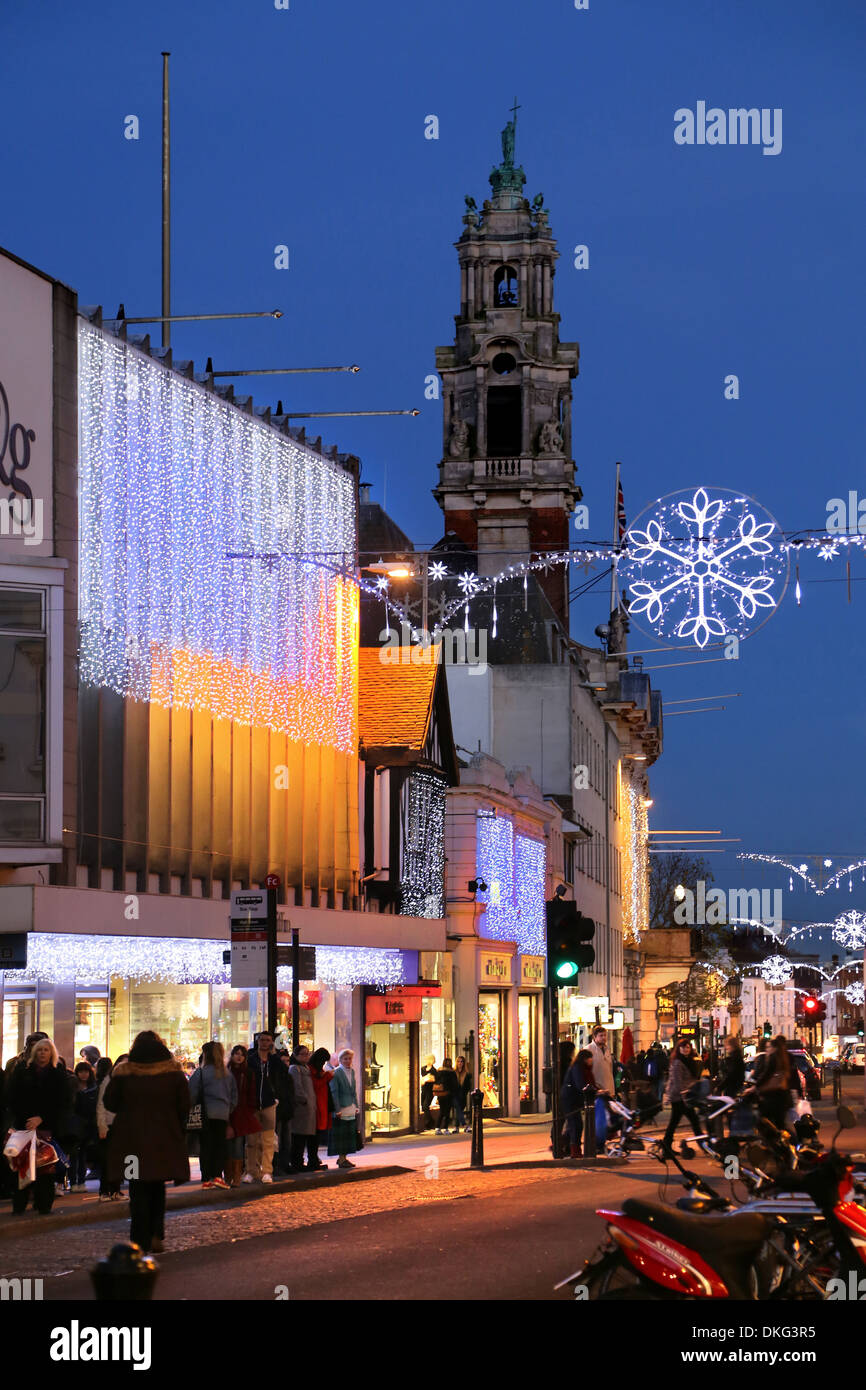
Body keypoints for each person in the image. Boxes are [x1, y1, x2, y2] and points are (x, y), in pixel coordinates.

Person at [103, 1030, 190, 1254]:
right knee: (157, 1188)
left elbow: (110, 1103)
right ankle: (156, 1233)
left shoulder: (124, 1074)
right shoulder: (173, 1074)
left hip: (132, 1142)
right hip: (163, 1141)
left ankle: (139, 1237)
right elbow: (185, 1106)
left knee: (136, 1188)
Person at [6, 1036, 68, 1215]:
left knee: (44, 1167)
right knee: (22, 1167)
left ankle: (44, 1204)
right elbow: (13, 1097)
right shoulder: (22, 1071)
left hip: (46, 1126)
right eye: (39, 1050)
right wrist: (28, 1118)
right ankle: (19, 1205)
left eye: (46, 1050)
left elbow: (61, 1102)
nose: (42, 1053)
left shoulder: (58, 1073)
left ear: (52, 1053)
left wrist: (42, 1118)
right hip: (24, 1125)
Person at [189, 1041, 237, 1190]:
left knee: (206, 1147)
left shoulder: (201, 1073)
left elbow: (191, 1094)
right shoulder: (227, 1074)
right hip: (222, 1114)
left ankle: (206, 1178)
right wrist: (228, 1110)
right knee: (219, 1146)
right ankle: (217, 1176)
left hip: (205, 1113)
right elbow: (234, 1096)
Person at [244, 1031, 286, 1184]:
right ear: (258, 1041)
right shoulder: (251, 1058)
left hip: (269, 1103)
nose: (264, 1042)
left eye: (268, 1040)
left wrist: (274, 1054)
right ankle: (251, 1171)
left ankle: (267, 1171)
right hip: (253, 1104)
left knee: (268, 1140)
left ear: (271, 1043)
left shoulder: (273, 1060)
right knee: (251, 1141)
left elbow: (283, 1072)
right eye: (262, 1040)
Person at [661, 1038, 704, 1157]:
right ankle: (704, 1145)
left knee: (675, 1122)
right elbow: (677, 1080)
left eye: (688, 1047)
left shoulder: (688, 1060)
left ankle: (666, 1148)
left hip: (683, 1096)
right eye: (683, 1047)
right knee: (693, 1120)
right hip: (679, 1097)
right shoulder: (677, 1062)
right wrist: (684, 1092)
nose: (686, 1049)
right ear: (679, 1049)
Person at [749, 1035, 800, 1132]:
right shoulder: (784, 1058)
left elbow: (766, 1075)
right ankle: (788, 1142)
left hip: (773, 1097)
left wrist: (755, 1087)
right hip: (782, 1096)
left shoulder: (773, 1058)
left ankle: (778, 1143)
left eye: (769, 1047)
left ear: (774, 1048)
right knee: (780, 1124)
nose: (767, 1049)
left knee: (765, 1122)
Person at [226, 1044, 259, 1187]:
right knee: (228, 1144)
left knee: (238, 1144)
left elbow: (251, 1092)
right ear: (232, 1055)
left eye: (242, 1054)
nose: (239, 1057)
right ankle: (228, 1175)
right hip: (228, 1111)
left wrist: (250, 1109)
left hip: (241, 1111)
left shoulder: (248, 1073)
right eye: (236, 1054)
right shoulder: (226, 1072)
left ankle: (237, 1176)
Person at [289, 1045, 324, 1171]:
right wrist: (304, 1100)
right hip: (301, 1108)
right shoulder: (294, 1068)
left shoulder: (306, 1068)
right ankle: (297, 1163)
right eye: (302, 1054)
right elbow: (297, 1087)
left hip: (309, 1107)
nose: (306, 1056)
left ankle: (303, 1162)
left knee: (305, 1136)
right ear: (296, 1055)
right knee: (299, 1137)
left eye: (307, 1054)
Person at [96, 1055, 124, 1200]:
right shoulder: (109, 1081)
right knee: (108, 1159)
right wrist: (102, 1125)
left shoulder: (132, 1080)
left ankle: (118, 1189)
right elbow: (101, 1105)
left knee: (129, 1159)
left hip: (127, 1126)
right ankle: (104, 1190)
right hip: (111, 1124)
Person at [67, 1060, 98, 1192]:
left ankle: (81, 1181)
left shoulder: (94, 1088)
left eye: (86, 1071)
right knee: (74, 1155)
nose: (84, 1074)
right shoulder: (73, 1088)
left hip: (88, 1125)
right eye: (81, 1071)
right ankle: (73, 1182)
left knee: (83, 1154)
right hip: (75, 1125)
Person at [560, 1049, 596, 1157]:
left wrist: (597, 1090)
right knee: (575, 1124)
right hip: (570, 1099)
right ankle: (574, 1150)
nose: (592, 1060)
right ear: (584, 1059)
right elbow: (580, 1084)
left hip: (574, 1099)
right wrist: (594, 1091)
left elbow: (587, 1084)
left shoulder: (584, 1069)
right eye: (590, 1058)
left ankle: (562, 1145)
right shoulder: (577, 1068)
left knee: (575, 1124)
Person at [329, 1048, 361, 1169]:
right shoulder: (336, 1073)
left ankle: (344, 1158)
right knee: (341, 1134)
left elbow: (354, 1091)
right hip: (342, 1107)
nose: (347, 1061)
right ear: (340, 1060)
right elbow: (334, 1092)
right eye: (345, 1059)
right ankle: (342, 1159)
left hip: (351, 1106)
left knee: (348, 1134)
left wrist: (356, 1105)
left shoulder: (352, 1071)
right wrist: (337, 1109)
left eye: (349, 1059)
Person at [588, 1027, 616, 1148]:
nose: (604, 1038)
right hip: (597, 1090)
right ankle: (597, 1143)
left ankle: (602, 1141)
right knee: (599, 1119)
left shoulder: (607, 1049)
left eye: (605, 1035)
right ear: (594, 1037)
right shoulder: (589, 1049)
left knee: (607, 1118)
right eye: (601, 1035)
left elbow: (610, 1070)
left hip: (609, 1089)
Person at [274, 1049, 296, 1177]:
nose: (286, 1063)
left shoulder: (288, 1077)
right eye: (283, 1061)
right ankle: (276, 1166)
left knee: (287, 1141)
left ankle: (285, 1164)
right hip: (278, 1112)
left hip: (287, 1111)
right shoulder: (276, 1076)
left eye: (288, 1061)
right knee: (277, 1141)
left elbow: (291, 1095)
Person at [433, 1057, 459, 1134]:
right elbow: (455, 1085)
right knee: (447, 1112)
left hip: (440, 1094)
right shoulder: (452, 1072)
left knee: (441, 1111)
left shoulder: (439, 1071)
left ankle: (437, 1128)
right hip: (449, 1094)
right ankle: (445, 1128)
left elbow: (436, 1081)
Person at [454, 1055, 472, 1133]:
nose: (460, 1063)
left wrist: (464, 1092)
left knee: (459, 1111)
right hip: (455, 1095)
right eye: (458, 1061)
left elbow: (468, 1086)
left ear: (464, 1063)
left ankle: (456, 1127)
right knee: (458, 1109)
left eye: (461, 1061)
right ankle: (465, 1125)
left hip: (463, 1095)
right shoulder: (453, 1073)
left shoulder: (467, 1074)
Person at [420, 1055, 436, 1131]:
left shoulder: (434, 1070)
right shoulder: (423, 1068)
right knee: (423, 1106)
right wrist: (426, 1078)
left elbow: (433, 1079)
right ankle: (430, 1122)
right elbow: (424, 1078)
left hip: (430, 1090)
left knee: (426, 1105)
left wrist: (426, 1079)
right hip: (424, 1089)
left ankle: (430, 1123)